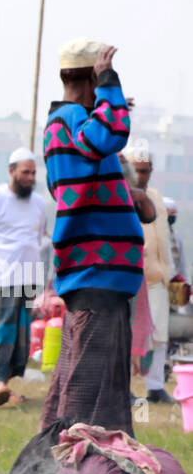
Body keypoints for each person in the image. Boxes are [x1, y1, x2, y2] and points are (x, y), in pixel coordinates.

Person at [40, 41, 146, 437]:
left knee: (88, 382)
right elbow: (113, 132)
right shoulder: (71, 121)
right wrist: (109, 81)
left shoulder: (66, 124)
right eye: (98, 79)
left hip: (95, 274)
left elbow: (105, 134)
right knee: (87, 391)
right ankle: (72, 473)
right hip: (96, 272)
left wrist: (107, 100)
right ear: (87, 78)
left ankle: (68, 470)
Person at [0, 148, 50, 406]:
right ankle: (0, 383)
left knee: (21, 337)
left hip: (29, 276)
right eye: (25, 172)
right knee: (1, 331)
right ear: (11, 171)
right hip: (1, 277)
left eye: (34, 173)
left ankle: (9, 385)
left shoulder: (39, 203)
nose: (30, 177)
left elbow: (37, 241)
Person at [125, 144, 176, 404]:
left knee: (159, 336)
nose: (140, 176)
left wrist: (175, 275)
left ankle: (155, 386)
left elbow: (165, 240)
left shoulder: (155, 197)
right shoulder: (122, 195)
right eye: (136, 171)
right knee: (131, 337)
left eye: (145, 171)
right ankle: (126, 389)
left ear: (151, 171)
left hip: (159, 279)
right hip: (133, 279)